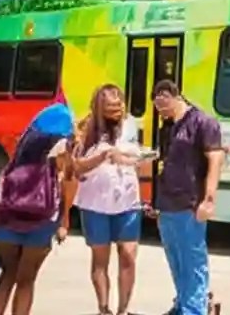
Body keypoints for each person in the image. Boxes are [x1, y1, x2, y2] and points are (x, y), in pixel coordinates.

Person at [0, 115, 78, 315]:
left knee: (7, 276)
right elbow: (68, 183)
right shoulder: (62, 147)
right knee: (26, 281)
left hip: (8, 222)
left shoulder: (21, 147)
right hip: (40, 222)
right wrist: (64, 221)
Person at [150, 79, 223, 315]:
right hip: (167, 203)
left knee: (193, 261)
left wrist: (209, 199)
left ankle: (194, 309)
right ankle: (182, 303)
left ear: (172, 96)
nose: (161, 112)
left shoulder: (203, 122)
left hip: (191, 202)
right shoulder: (168, 126)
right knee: (176, 260)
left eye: (163, 105)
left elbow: (215, 159)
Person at [73, 85, 144, 315]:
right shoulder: (85, 128)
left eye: (119, 104)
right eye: (111, 106)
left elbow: (135, 156)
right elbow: (76, 167)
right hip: (95, 203)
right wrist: (102, 156)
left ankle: (123, 310)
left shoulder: (131, 124)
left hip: (128, 200)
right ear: (99, 107)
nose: (117, 109)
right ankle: (103, 308)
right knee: (100, 258)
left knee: (129, 254)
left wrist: (131, 158)